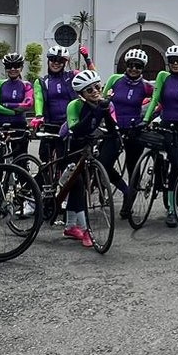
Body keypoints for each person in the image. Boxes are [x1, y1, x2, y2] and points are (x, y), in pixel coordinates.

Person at [60, 69, 119, 247]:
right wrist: (93, 112)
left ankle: (70, 226)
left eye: (97, 87)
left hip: (88, 146)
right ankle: (86, 230)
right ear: (81, 95)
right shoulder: (74, 105)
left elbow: (113, 129)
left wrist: (106, 111)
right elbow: (76, 129)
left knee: (82, 185)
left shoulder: (101, 103)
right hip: (70, 145)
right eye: (89, 90)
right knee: (77, 186)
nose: (95, 92)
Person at [142, 44, 178, 227]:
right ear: (168, 62)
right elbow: (156, 99)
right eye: (172, 61)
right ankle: (172, 210)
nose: (175, 64)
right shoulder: (163, 77)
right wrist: (147, 118)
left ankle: (173, 202)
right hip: (168, 127)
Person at [106, 48, 152, 219]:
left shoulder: (146, 86)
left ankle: (128, 203)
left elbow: (159, 102)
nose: (134, 68)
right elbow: (103, 101)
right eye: (131, 65)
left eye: (138, 66)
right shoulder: (115, 80)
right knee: (104, 163)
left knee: (134, 167)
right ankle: (126, 190)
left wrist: (145, 117)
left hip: (134, 131)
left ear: (143, 68)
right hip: (114, 129)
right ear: (126, 65)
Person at [33, 45, 92, 160]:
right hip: (51, 125)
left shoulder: (72, 76)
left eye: (60, 61)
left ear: (65, 63)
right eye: (53, 59)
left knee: (69, 157)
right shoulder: (42, 81)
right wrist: (39, 116)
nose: (56, 63)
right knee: (45, 157)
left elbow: (93, 78)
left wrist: (87, 58)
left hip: (71, 123)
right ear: (48, 60)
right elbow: (39, 99)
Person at [0, 51, 34, 157]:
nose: (13, 69)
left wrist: (6, 105)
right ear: (6, 68)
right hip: (1, 124)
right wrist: (15, 112)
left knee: (20, 157)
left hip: (20, 125)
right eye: (9, 66)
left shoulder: (26, 85)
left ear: (21, 68)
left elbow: (28, 104)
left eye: (16, 66)